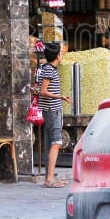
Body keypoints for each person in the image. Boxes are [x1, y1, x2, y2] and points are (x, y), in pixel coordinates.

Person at [36, 42, 72, 188]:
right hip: (51, 110)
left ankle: (49, 178)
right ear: (57, 56)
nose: (62, 55)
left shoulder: (47, 69)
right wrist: (60, 97)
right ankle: (50, 179)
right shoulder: (49, 70)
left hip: (51, 110)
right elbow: (43, 91)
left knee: (51, 143)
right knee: (56, 143)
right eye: (61, 53)